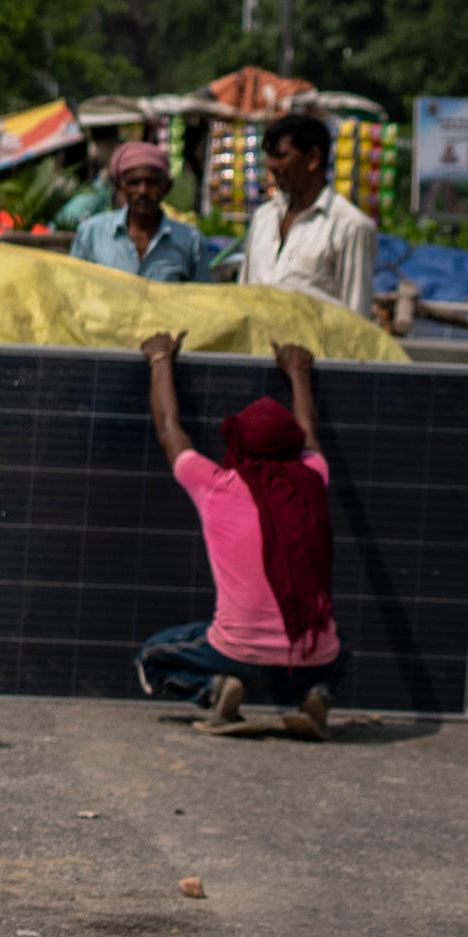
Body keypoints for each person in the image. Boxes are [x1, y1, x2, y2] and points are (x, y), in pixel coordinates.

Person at [134, 334, 345, 736]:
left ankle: (214, 689)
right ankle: (317, 694)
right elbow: (309, 431)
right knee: (337, 641)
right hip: (313, 652)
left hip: (237, 650)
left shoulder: (216, 486)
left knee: (151, 659)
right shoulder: (312, 480)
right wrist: (298, 371)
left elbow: (168, 428)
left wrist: (160, 358)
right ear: (291, 446)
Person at [236, 110, 377, 318]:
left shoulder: (350, 225)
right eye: (270, 157)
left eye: (281, 156)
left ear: (313, 158)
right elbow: (242, 295)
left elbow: (355, 315)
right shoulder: (263, 217)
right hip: (256, 348)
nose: (272, 166)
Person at [71, 141, 205, 283]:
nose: (143, 191)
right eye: (134, 183)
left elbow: (201, 298)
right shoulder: (91, 233)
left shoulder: (190, 241)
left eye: (152, 182)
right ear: (120, 187)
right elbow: (73, 289)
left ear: (166, 187)